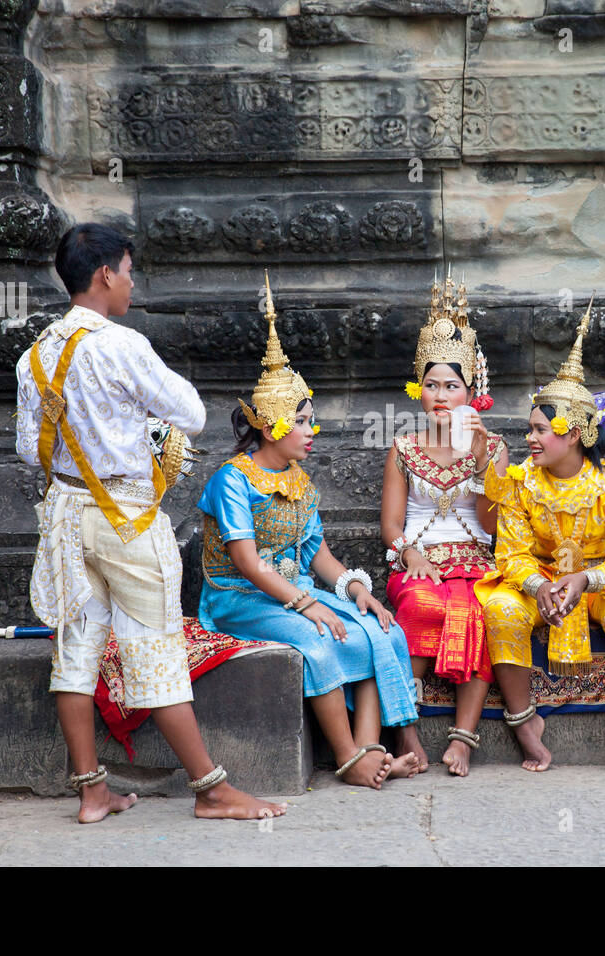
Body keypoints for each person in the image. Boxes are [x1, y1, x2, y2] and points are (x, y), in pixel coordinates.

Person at [16, 223, 286, 822]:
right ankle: (211, 789)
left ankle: (91, 791)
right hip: (126, 518)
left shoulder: (32, 357)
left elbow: (24, 448)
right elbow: (188, 411)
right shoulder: (121, 346)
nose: (132, 284)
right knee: (155, 647)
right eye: (129, 271)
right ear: (105, 274)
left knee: (76, 649)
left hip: (65, 517)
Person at [197, 274, 420, 789]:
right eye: (302, 421)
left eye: (310, 418)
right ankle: (348, 758)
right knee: (319, 641)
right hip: (239, 598)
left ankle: (370, 748)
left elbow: (316, 551)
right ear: (273, 425)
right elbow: (249, 564)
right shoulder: (233, 480)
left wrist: (355, 589)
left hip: (293, 590)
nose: (311, 430)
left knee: (377, 628)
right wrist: (307, 604)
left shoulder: (298, 478)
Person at [477, 301, 605, 774]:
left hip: (598, 585)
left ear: (573, 433)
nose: (530, 439)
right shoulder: (520, 481)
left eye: (539, 430)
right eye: (529, 429)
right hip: (540, 580)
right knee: (500, 607)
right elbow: (511, 553)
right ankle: (524, 723)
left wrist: (584, 582)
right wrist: (541, 586)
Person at [381, 273, 506, 776]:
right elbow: (391, 523)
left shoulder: (493, 448)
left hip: (476, 561)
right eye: (430, 384)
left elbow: (494, 526)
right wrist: (409, 552)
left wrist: (479, 460)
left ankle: (463, 735)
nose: (439, 395)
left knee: (485, 610)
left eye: (451, 386)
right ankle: (406, 732)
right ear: (419, 388)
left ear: (471, 392)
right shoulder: (403, 447)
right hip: (420, 560)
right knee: (417, 604)